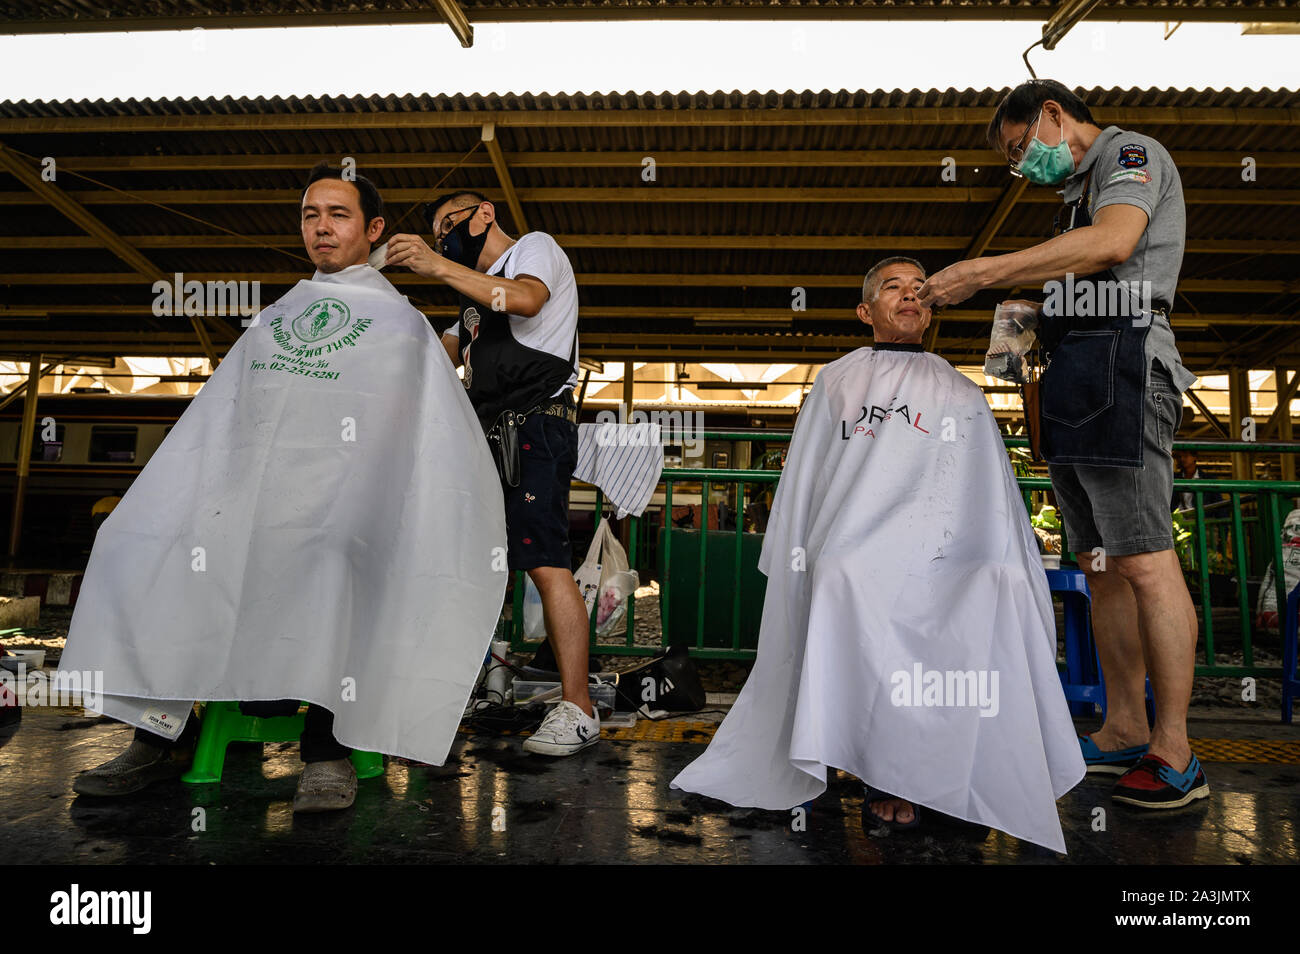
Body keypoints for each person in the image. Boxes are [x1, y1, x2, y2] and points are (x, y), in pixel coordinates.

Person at [64, 163, 507, 811]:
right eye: (310, 215)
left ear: (373, 228)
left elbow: (414, 438)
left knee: (329, 555)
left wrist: (346, 495)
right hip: (254, 500)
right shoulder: (280, 313)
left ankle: (326, 749)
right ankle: (158, 732)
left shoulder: (400, 324)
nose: (322, 227)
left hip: (344, 505)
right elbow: (230, 418)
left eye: (339, 214)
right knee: (144, 540)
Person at [670, 258, 1084, 852]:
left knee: (998, 580)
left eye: (920, 287)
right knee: (845, 575)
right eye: (893, 287)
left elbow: (980, 494)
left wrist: (980, 551)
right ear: (866, 312)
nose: (909, 294)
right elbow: (815, 477)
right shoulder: (838, 380)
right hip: (856, 539)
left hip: (943, 549)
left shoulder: (961, 390)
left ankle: (961, 768)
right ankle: (878, 771)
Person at [918, 79, 1207, 809]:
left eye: (1021, 148)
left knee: (1143, 558)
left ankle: (1175, 750)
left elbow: (1116, 244)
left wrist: (986, 272)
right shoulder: (1073, 195)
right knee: (1101, 565)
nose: (1021, 165)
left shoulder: (1128, 155)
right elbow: (1075, 275)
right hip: (1079, 373)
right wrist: (1022, 329)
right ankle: (1122, 726)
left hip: (1127, 361)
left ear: (1052, 114)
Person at [385, 194, 598, 756]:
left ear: (484, 214)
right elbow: (435, 353)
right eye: (437, 235)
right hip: (485, 433)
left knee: (545, 562)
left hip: (534, 429)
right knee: (472, 566)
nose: (446, 239)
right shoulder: (472, 308)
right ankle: (469, 687)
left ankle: (578, 707)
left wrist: (436, 265)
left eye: (450, 225)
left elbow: (526, 300)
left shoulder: (535, 250)